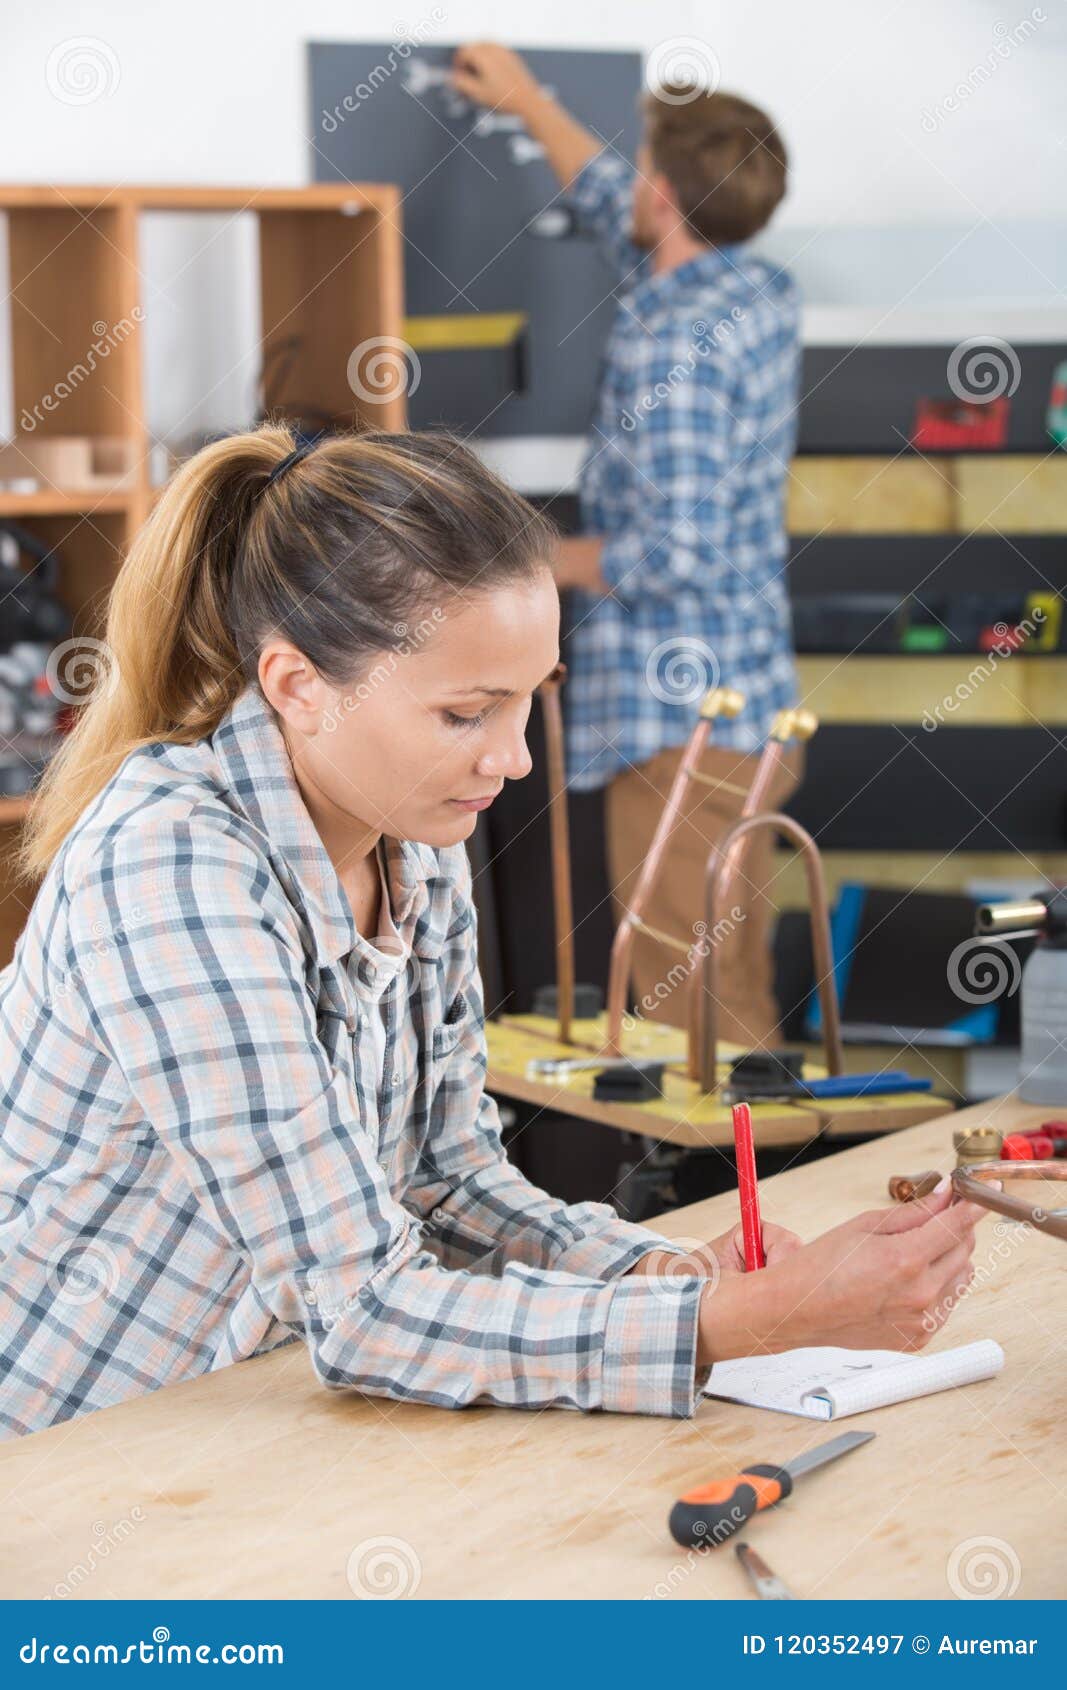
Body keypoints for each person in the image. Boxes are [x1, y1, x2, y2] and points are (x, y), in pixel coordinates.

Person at [0, 426, 981, 1438]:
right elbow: (363, 1308)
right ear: (297, 686)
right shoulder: (172, 864)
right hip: (69, 1446)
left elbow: (445, 1179)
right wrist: (737, 1319)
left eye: (526, 702)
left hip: (243, 1413)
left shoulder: (409, 832)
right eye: (466, 712)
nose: (511, 760)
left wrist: (655, 1269)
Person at [452, 44, 802, 1049]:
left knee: (682, 1003)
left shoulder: (668, 343)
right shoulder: (753, 291)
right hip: (738, 709)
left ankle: (728, 1204)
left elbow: (674, 551)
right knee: (721, 977)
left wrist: (527, 554)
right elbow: (622, 202)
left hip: (675, 724)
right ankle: (771, 1194)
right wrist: (527, 102)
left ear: (664, 193)